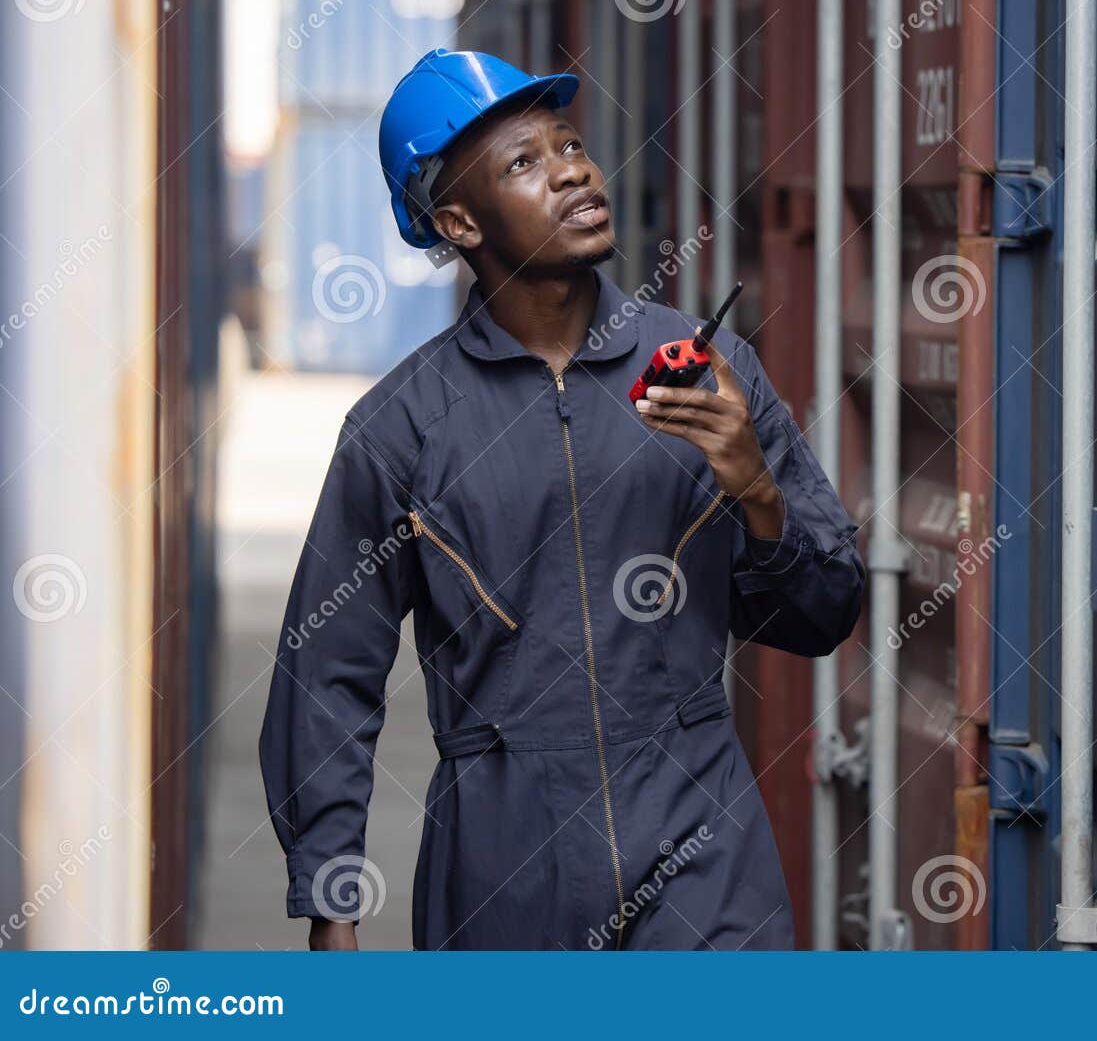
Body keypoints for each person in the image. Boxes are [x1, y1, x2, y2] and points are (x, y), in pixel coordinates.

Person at [258, 49, 864, 950]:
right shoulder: (401, 429)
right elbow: (328, 672)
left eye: (570, 143)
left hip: (702, 832)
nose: (573, 168)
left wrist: (758, 491)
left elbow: (824, 615)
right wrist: (331, 899)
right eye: (524, 162)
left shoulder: (711, 379)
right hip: (503, 856)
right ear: (458, 221)